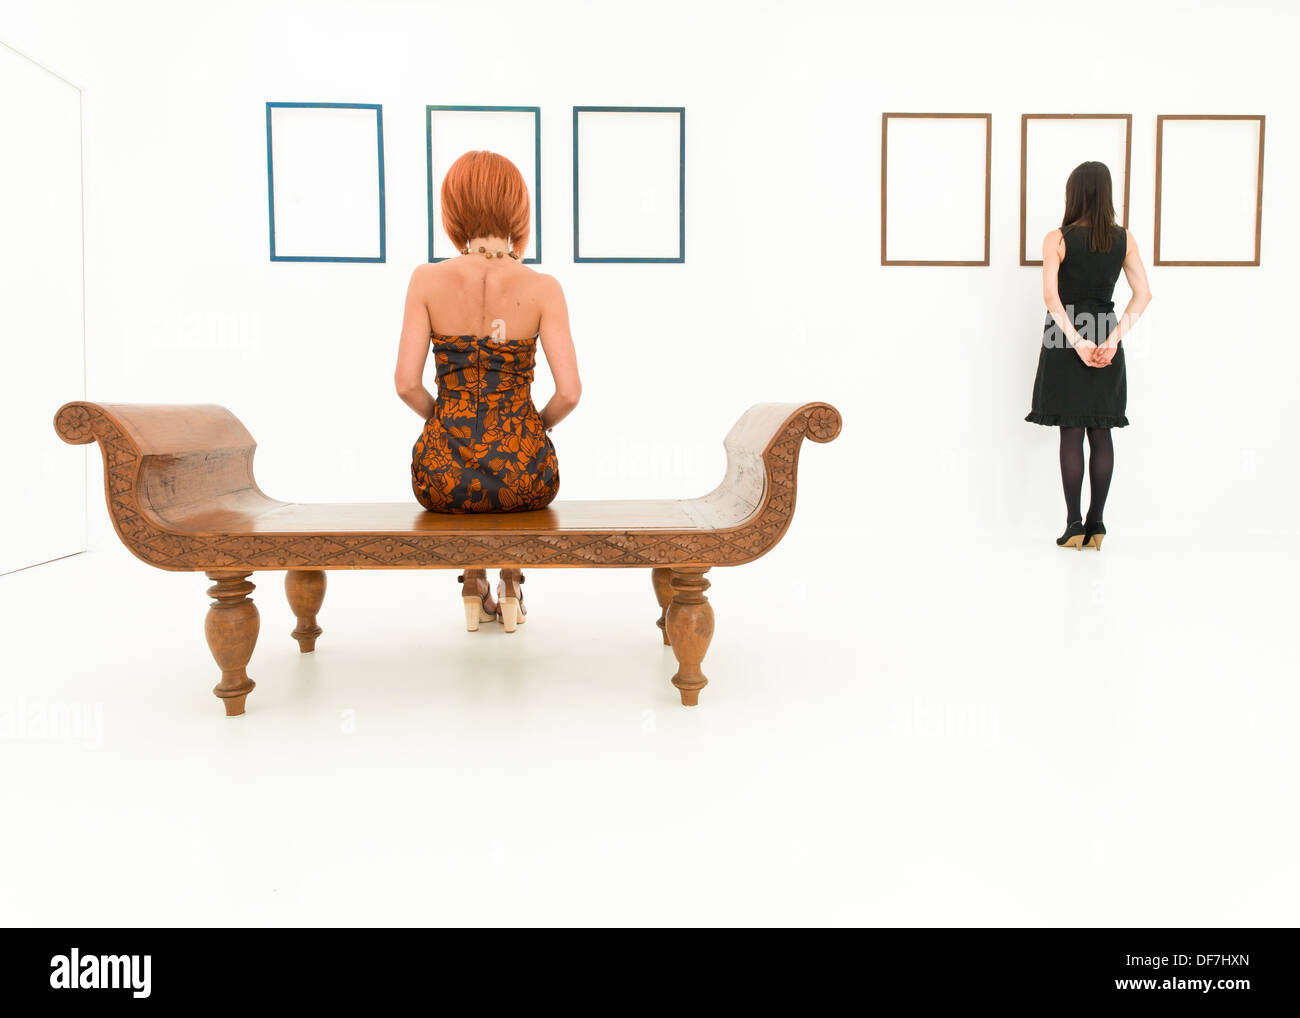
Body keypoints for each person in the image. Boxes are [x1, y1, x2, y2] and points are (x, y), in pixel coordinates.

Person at [395, 150, 581, 630]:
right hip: (526, 476)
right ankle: (512, 582)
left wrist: (446, 421)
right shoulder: (543, 287)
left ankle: (473, 581)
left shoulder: (425, 280)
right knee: (508, 472)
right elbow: (570, 393)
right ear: (517, 210)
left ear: (453, 210)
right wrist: (531, 428)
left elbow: (406, 385)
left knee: (466, 477)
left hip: (440, 478)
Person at [1025, 161, 1152, 550]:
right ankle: (1097, 525)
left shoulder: (1056, 238)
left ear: (1074, 193)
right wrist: (1111, 339)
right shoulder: (1124, 239)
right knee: (1101, 430)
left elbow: (1052, 297)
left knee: (1071, 432)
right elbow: (1143, 293)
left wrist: (1077, 342)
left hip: (1065, 333)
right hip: (1105, 329)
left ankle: (1074, 525)